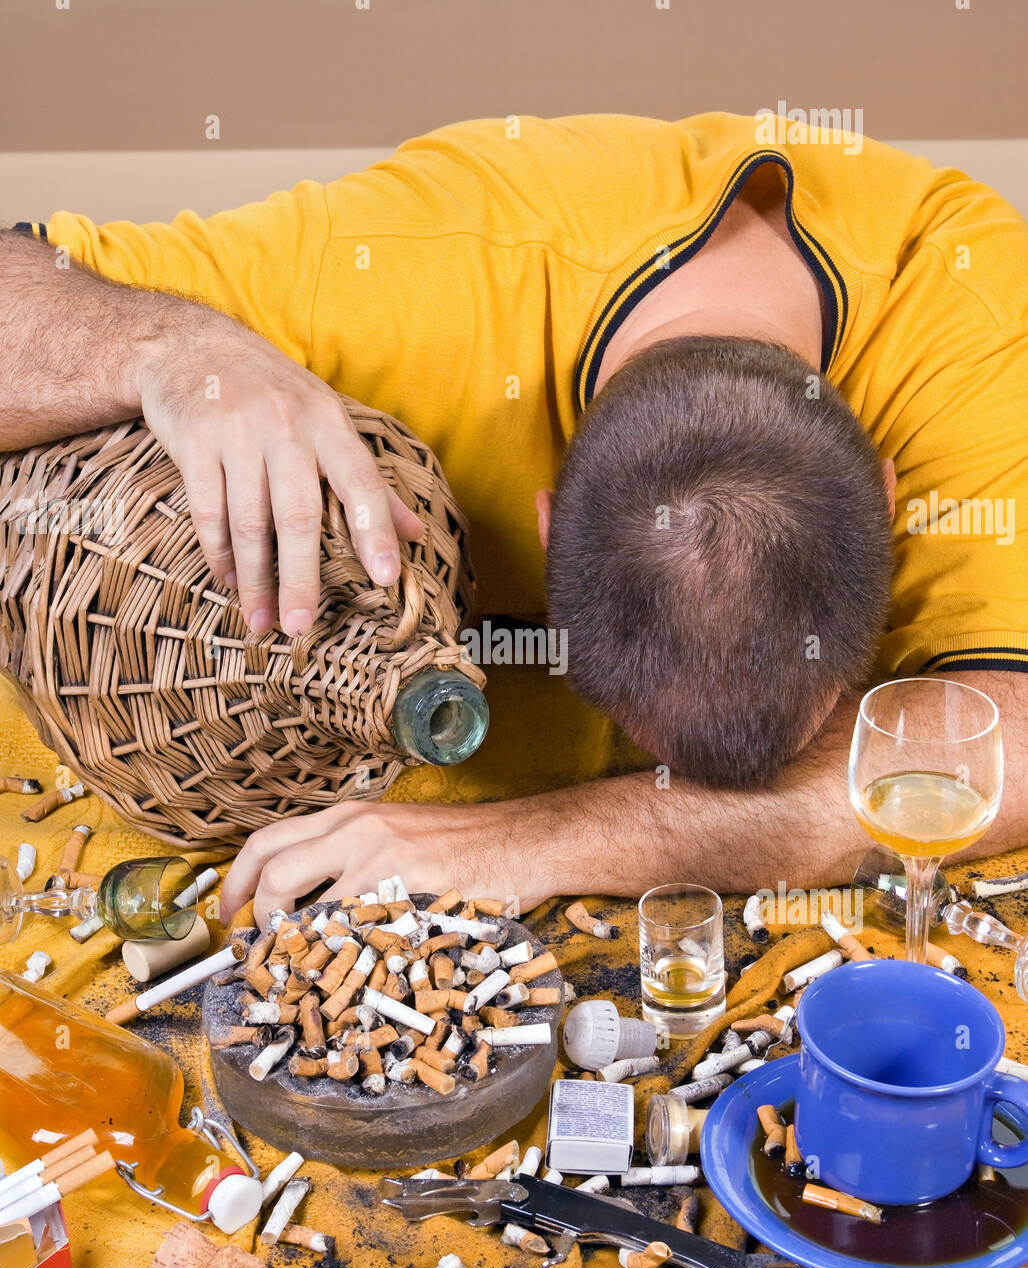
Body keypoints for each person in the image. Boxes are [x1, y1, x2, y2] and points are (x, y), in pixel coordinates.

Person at [2, 113, 1025, 920]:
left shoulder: (971, 310)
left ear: (888, 502)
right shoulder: (410, 269)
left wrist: (538, 840)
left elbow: (1008, 744)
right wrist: (171, 351)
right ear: (546, 528)